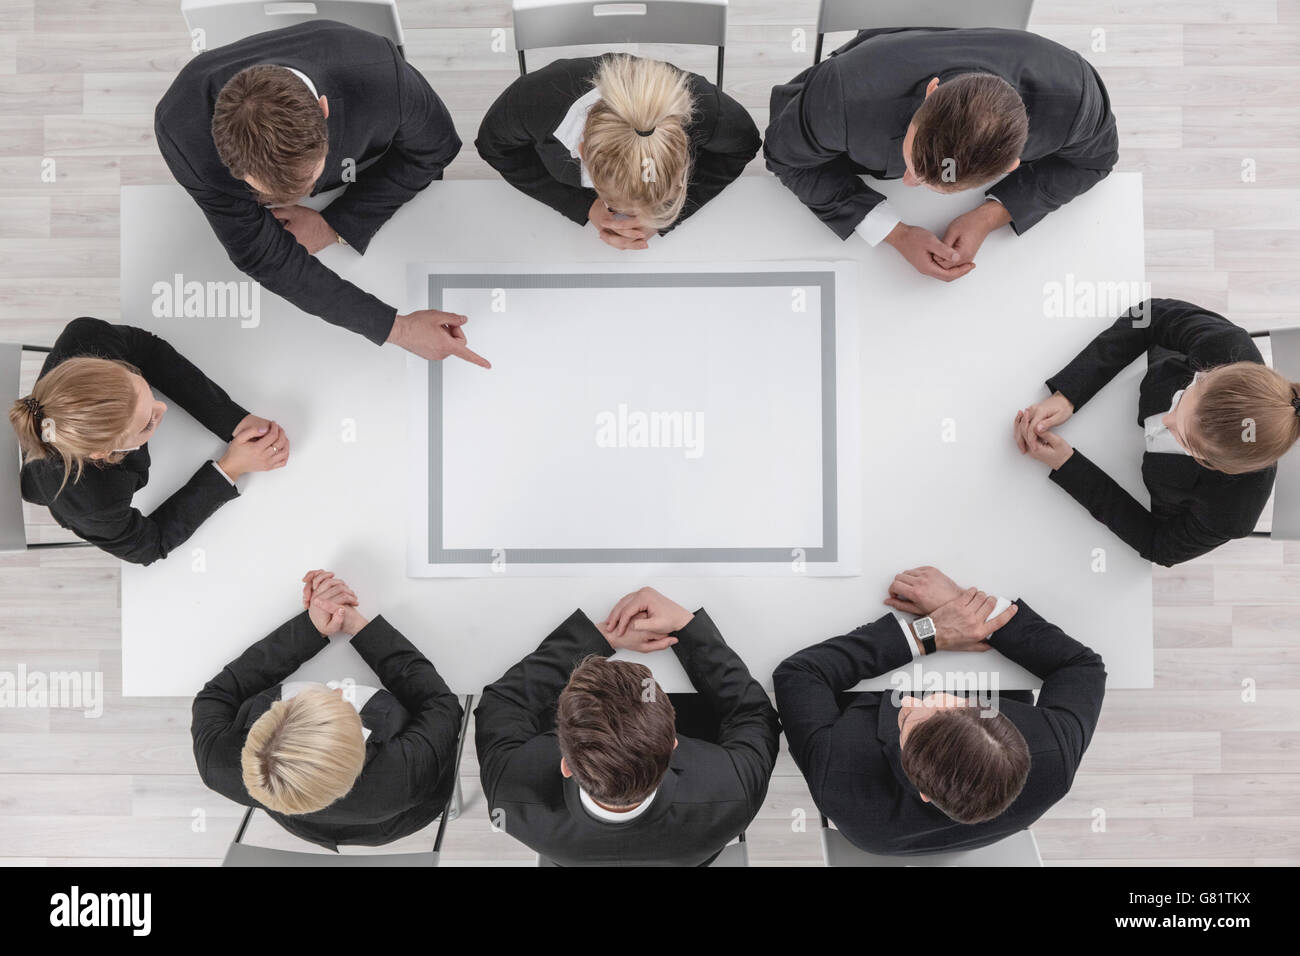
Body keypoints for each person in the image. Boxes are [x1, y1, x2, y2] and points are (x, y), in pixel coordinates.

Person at [154, 20, 488, 367]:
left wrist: (336, 223)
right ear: (225, 156)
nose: (302, 196)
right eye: (267, 192)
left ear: (323, 109)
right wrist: (399, 330)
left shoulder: (381, 76)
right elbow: (265, 259)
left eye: (308, 178)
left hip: (372, 179)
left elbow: (436, 149)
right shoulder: (181, 130)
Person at [775, 566, 1106, 855]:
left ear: (921, 789)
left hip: (879, 834)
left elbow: (799, 675)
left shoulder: (840, 778)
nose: (915, 699)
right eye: (957, 702)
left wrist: (928, 633)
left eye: (907, 719)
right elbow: (1083, 667)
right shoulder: (1055, 759)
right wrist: (972, 611)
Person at [764, 27, 1118, 281]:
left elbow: (1096, 160)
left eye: (925, 180)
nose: (906, 180)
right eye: (915, 165)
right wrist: (895, 232)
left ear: (1012, 163)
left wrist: (990, 215)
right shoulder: (840, 96)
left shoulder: (1076, 99)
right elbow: (786, 157)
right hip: (869, 81)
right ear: (932, 93)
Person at [475, 586, 780, 866]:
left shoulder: (512, 800)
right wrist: (685, 628)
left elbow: (502, 703)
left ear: (566, 765)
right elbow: (754, 714)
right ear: (674, 744)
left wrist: (604, 637)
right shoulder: (732, 792)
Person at [191, 570, 464, 850]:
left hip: (304, 821)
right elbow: (440, 704)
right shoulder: (404, 774)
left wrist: (311, 628)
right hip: (395, 818)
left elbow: (216, 695)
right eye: (341, 704)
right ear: (358, 749)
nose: (336, 689)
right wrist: (360, 628)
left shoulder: (218, 764)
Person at [1016, 298, 1295, 566]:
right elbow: (1146, 316)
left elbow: (1157, 545)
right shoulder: (1226, 345)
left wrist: (1068, 466)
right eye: (1182, 398)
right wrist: (1070, 393)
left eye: (1185, 440)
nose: (1166, 421)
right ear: (1208, 373)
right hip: (1126, 384)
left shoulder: (1233, 511)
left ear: (1218, 466)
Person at [7, 317, 285, 565]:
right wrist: (229, 468)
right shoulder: (92, 503)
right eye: (148, 423)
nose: (161, 407)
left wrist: (230, 419)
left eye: (136, 379)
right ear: (104, 453)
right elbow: (150, 545)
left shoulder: (87, 337)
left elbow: (149, 351)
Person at [476, 54, 760, 251]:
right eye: (616, 206)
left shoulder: (709, 111)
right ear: (582, 151)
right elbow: (494, 147)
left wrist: (662, 219)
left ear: (684, 151)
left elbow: (743, 145)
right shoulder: (532, 101)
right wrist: (584, 205)